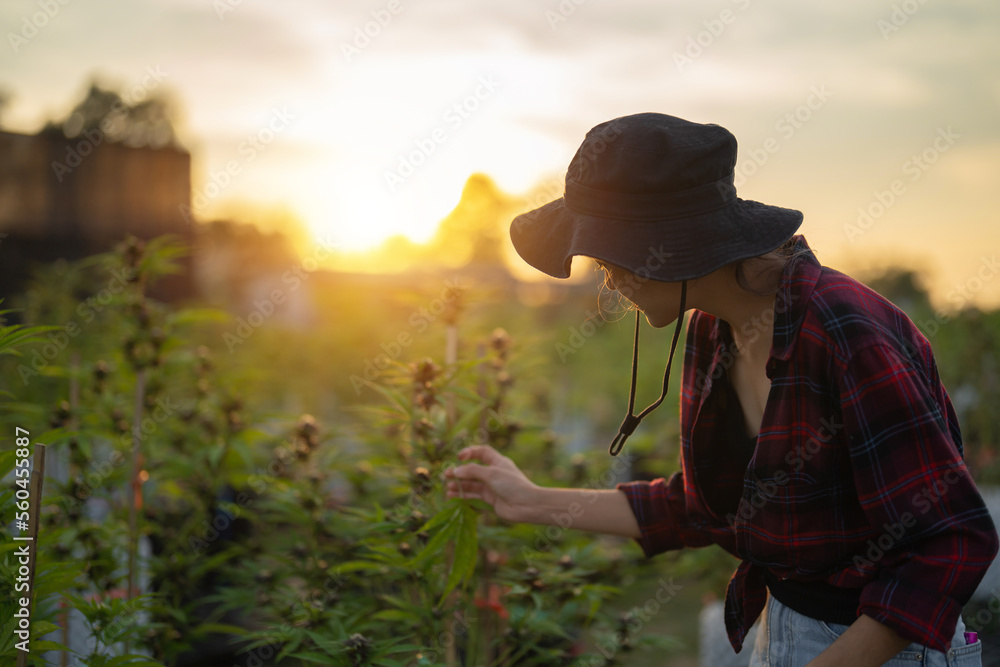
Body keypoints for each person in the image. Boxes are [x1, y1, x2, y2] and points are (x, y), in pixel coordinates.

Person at [443, 112, 999, 666]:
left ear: (668, 243)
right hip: (780, 627)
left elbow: (948, 541)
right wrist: (529, 499)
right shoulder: (712, 331)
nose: (606, 277)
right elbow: (701, 508)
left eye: (609, 252)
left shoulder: (845, 330)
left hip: (882, 647)